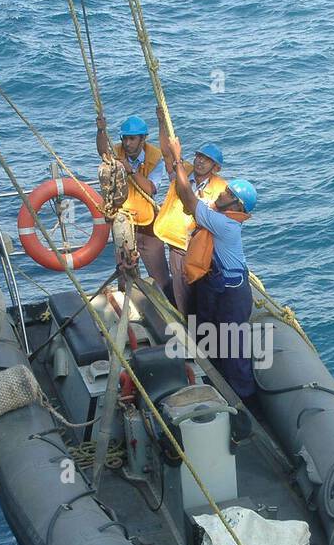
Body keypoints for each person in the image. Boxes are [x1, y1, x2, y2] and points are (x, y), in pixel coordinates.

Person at [164, 134, 258, 404]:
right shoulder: (220, 214)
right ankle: (214, 382)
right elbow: (188, 198)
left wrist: (178, 158)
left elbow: (186, 196)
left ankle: (245, 403)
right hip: (215, 284)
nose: (223, 192)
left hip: (232, 293)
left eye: (228, 194)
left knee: (233, 350)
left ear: (237, 206)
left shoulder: (225, 224)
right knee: (209, 333)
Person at [153, 104, 228, 313]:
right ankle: (188, 325)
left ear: (216, 167)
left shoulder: (221, 189)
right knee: (182, 290)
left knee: (202, 291)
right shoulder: (183, 170)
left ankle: (202, 325)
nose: (200, 161)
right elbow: (167, 154)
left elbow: (194, 205)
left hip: (201, 249)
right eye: (198, 156)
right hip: (178, 244)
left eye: (206, 159)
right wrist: (161, 122)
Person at [96, 113, 170, 290]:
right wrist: (100, 130)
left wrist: (131, 171)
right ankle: (128, 306)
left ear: (143, 139)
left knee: (161, 276)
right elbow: (103, 152)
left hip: (148, 224)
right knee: (125, 274)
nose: (127, 143)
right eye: (125, 139)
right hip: (124, 222)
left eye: (132, 139)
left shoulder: (155, 158)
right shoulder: (117, 151)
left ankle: (168, 306)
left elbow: (151, 189)